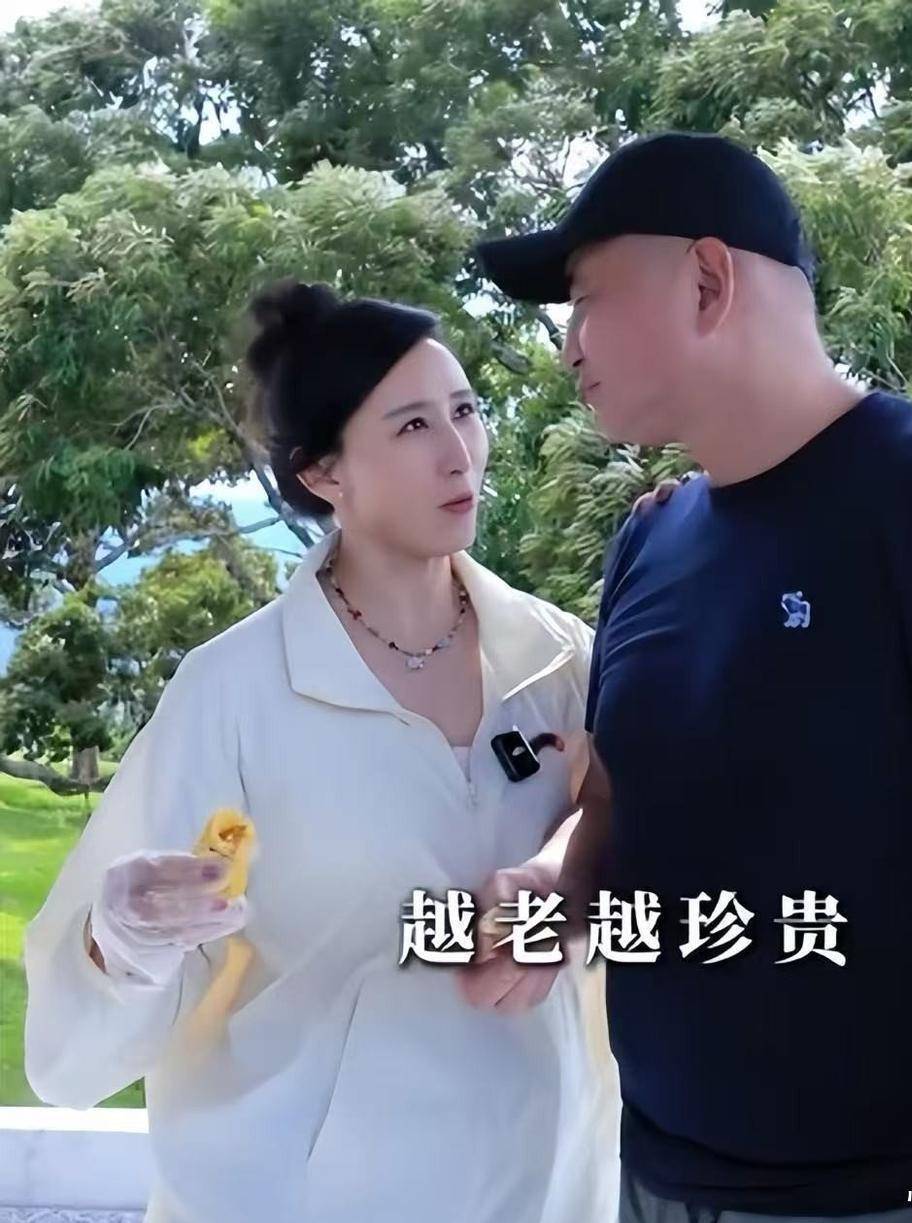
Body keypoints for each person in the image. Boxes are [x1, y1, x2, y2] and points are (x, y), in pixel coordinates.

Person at [473, 132, 912, 1223]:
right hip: (655, 1176)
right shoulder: (649, 538)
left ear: (708, 280)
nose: (569, 348)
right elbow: (621, 802)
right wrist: (558, 891)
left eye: (585, 301)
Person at [23, 279, 622, 1223]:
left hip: (545, 1190)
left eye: (466, 411)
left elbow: (631, 846)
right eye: (413, 425)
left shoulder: (559, 657)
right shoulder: (234, 692)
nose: (460, 451)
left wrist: (561, 882)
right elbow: (70, 1057)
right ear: (323, 475)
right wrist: (121, 941)